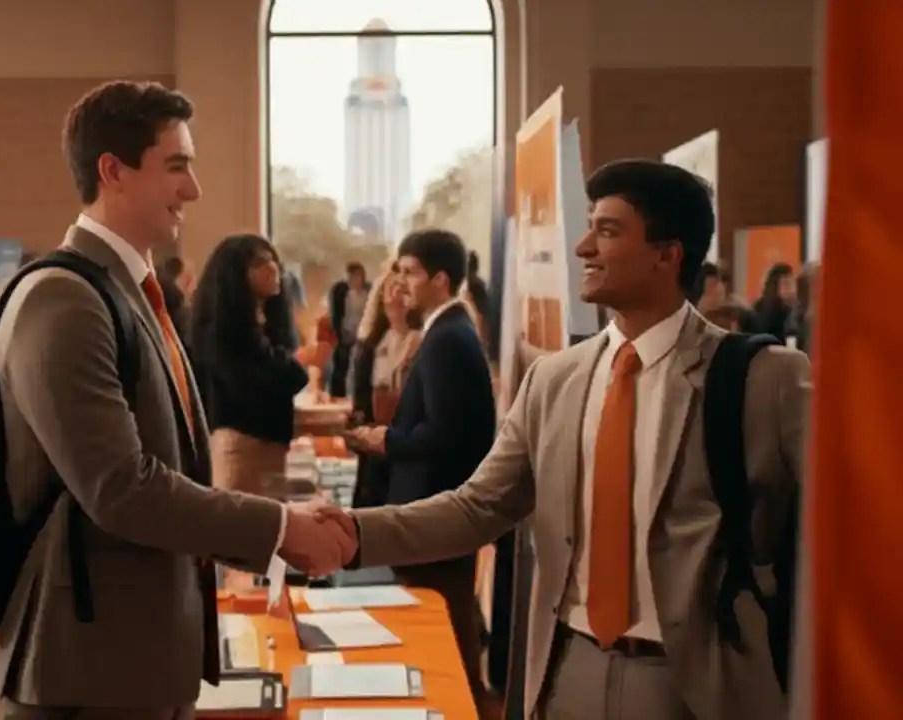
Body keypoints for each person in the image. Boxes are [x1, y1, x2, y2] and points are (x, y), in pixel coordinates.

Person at [320, 160, 809, 719]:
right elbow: (477, 507)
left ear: (668, 254)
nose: (582, 248)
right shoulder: (555, 380)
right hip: (565, 672)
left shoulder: (765, 380)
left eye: (607, 230)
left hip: (700, 684)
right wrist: (350, 536)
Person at [0, 80, 354, 720]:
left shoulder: (126, 291)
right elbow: (121, 488)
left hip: (134, 651)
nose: (194, 189)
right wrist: (276, 529)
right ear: (114, 171)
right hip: (93, 664)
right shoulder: (66, 298)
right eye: (177, 166)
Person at [343, 229, 497, 705]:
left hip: (437, 508)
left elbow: (444, 436)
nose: (401, 281)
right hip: (434, 505)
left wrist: (385, 439)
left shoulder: (449, 337)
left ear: (441, 279)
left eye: (410, 272)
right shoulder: (443, 330)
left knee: (446, 633)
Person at [190, 233, 307, 496]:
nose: (272, 269)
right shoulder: (226, 333)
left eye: (273, 260)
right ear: (236, 277)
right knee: (242, 532)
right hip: (241, 448)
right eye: (259, 264)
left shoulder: (264, 329)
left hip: (272, 447)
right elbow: (289, 377)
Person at [347, 263, 421, 509]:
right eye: (393, 289)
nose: (398, 297)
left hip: (408, 451)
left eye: (404, 290)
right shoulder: (371, 345)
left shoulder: (422, 341)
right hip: (375, 457)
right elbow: (361, 404)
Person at [327, 262, 369, 397]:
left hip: (364, 334)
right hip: (346, 332)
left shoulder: (369, 292)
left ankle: (359, 396)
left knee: (362, 366)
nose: (353, 280)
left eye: (356, 276)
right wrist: (339, 332)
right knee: (340, 364)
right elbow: (335, 314)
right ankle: (336, 394)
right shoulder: (340, 291)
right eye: (350, 277)